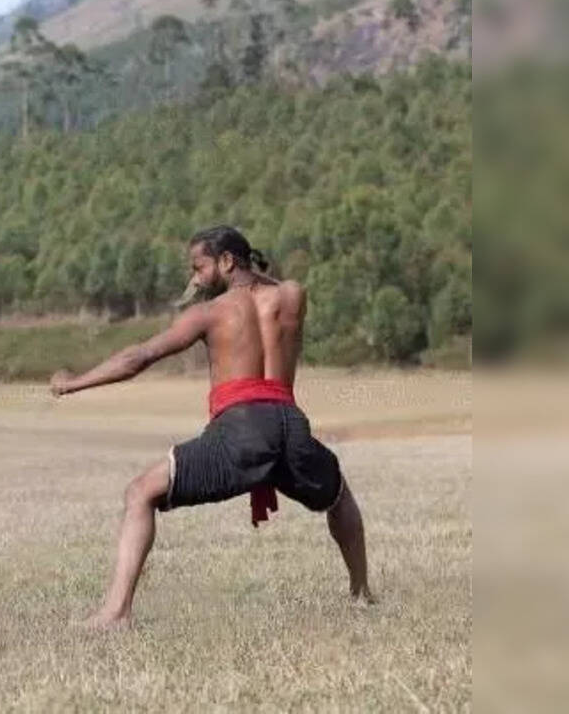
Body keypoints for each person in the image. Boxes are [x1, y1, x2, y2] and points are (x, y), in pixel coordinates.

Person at [50, 225, 376, 629]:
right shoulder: (292, 296)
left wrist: (72, 384)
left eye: (199, 268)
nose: (195, 279)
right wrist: (246, 271)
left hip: (242, 426)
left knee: (140, 493)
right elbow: (268, 286)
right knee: (338, 495)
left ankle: (116, 613)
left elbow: (139, 357)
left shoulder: (208, 313)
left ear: (226, 261)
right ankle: (361, 596)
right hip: (291, 425)